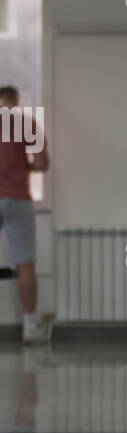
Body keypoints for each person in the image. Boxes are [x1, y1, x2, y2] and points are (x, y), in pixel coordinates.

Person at [0, 85, 52, 344]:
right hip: (17, 198)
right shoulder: (24, 123)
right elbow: (43, 163)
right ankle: (30, 327)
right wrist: (25, 166)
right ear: (15, 100)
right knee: (25, 264)